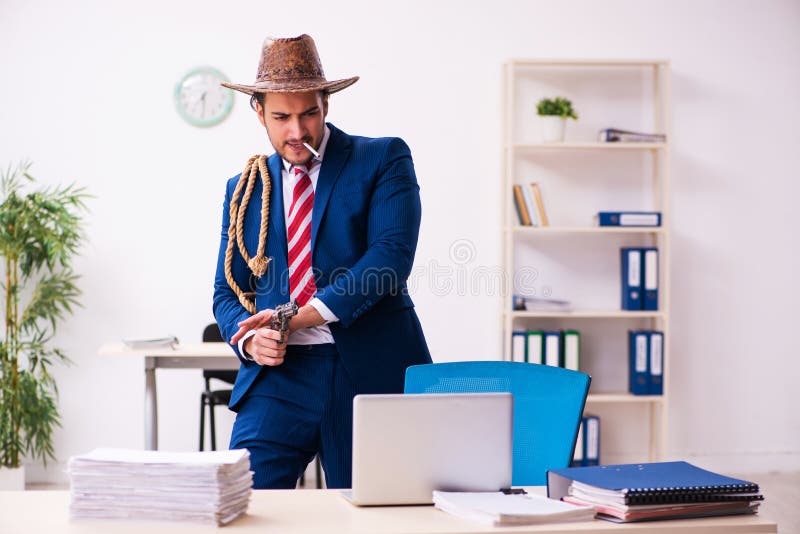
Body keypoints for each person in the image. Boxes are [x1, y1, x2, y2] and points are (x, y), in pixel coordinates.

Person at [212, 34, 431, 490]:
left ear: (326, 104)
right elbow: (226, 293)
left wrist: (298, 318)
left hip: (368, 371)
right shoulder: (244, 188)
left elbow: (389, 259)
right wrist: (250, 344)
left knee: (377, 513)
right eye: (281, 117)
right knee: (243, 502)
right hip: (279, 377)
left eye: (308, 113)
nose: (297, 131)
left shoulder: (382, 158)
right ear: (258, 113)